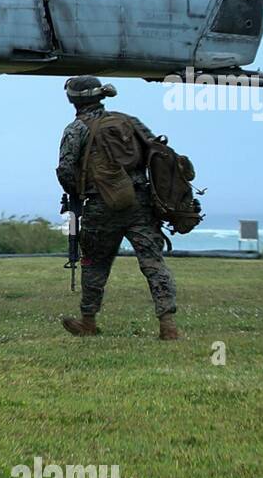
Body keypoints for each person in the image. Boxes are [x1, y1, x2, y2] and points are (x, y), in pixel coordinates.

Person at [55, 76, 179, 340]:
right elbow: (156, 152)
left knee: (94, 263)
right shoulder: (128, 121)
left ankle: (88, 322)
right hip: (140, 203)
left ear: (73, 99)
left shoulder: (75, 129)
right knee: (153, 263)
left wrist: (79, 192)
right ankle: (168, 326)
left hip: (101, 205)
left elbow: (66, 169)